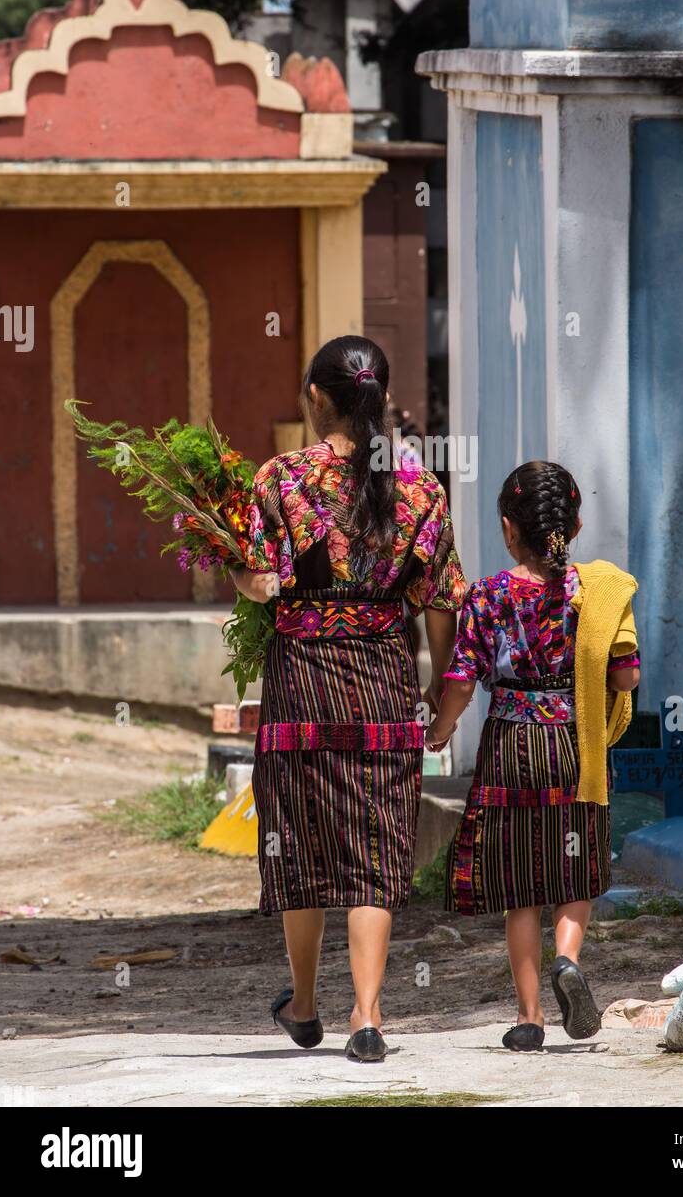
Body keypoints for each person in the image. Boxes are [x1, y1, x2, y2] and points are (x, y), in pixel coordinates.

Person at [231, 336, 466, 1062]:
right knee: (374, 844)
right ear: (383, 399)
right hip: (382, 681)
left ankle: (304, 1005)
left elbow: (252, 576)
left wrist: (254, 584)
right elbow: (440, 599)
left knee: (298, 840)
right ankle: (368, 1016)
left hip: (301, 677)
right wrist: (443, 687)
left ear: (316, 397)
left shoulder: (278, 480)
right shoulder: (419, 487)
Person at [425, 460, 640, 1052]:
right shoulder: (598, 594)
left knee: (520, 885)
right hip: (577, 744)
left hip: (510, 748)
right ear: (573, 525)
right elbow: (624, 678)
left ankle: (530, 1018)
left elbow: (462, 683)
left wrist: (438, 733)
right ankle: (567, 960)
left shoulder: (487, 596)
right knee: (574, 867)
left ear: (506, 527)